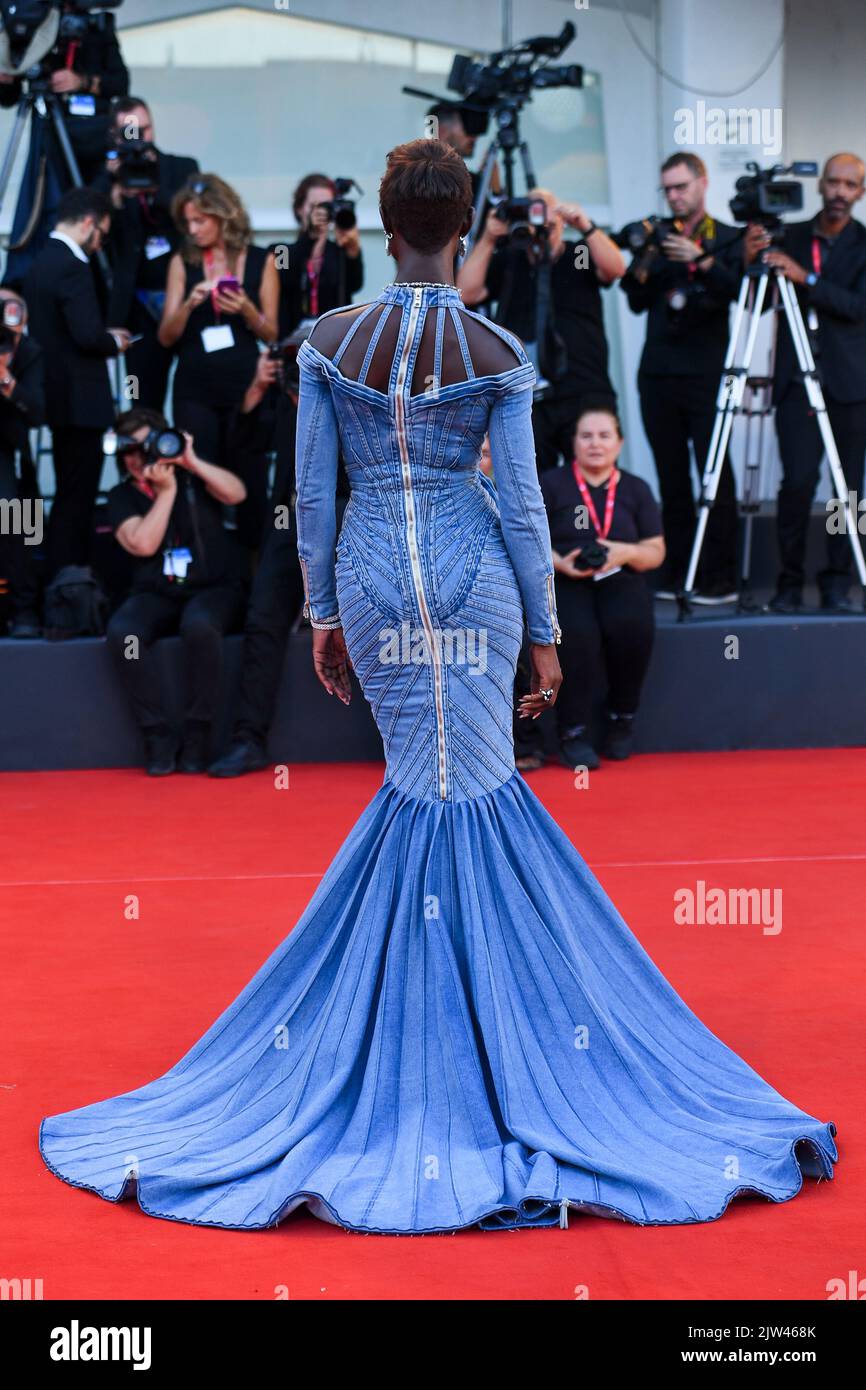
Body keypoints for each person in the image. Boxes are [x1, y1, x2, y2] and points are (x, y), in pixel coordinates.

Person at [38, 140, 838, 1234]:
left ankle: (431, 1047)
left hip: (370, 573)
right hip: (470, 581)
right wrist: (546, 637)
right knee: (473, 792)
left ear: (378, 223)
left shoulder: (327, 339)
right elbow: (518, 507)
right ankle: (488, 1049)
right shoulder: (493, 342)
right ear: (459, 229)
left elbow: (307, 493)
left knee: (428, 792)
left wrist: (323, 610)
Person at [207, 346, 351, 777]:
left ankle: (407, 744)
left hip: (352, 521)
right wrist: (259, 385)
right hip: (288, 526)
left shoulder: (353, 399)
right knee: (262, 621)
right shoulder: (281, 403)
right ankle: (249, 738)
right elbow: (241, 444)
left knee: (386, 624)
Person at [744, 152, 866, 614]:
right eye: (832, 181)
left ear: (860, 192)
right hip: (797, 382)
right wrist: (750, 257)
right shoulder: (789, 237)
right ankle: (788, 582)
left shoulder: (863, 243)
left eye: (849, 184)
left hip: (851, 385)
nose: (838, 191)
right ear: (820, 187)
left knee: (848, 489)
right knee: (796, 483)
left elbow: (858, 307)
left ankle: (837, 581)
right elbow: (756, 303)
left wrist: (807, 278)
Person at [515, 402, 664, 773]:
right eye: (586, 436)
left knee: (632, 628)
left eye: (604, 436)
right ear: (574, 443)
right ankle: (572, 732)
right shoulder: (550, 483)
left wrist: (623, 552)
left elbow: (656, 552)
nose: (595, 444)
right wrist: (558, 561)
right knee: (575, 637)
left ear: (619, 443)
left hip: (620, 578)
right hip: (565, 578)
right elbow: (526, 537)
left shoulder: (636, 488)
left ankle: (621, 719)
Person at [620, 152, 742, 603]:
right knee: (671, 478)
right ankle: (677, 575)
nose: (674, 196)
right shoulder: (657, 235)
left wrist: (701, 259)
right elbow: (633, 297)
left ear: (702, 183)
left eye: (681, 187)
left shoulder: (727, 238)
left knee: (715, 476)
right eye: (667, 189)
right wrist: (647, 254)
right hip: (658, 376)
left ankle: (720, 578)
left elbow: (745, 294)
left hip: (708, 376)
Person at [103, 407, 248, 776]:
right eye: (128, 453)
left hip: (213, 586)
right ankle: (157, 734)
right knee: (124, 634)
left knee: (199, 626)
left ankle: (198, 733)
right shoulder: (120, 495)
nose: (136, 460)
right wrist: (164, 493)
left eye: (144, 449)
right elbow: (143, 544)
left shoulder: (192, 477)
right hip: (157, 593)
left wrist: (191, 461)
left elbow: (237, 494)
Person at [458, 187, 624, 472]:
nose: (542, 232)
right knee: (534, 479)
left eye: (549, 224)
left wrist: (585, 225)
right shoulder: (511, 260)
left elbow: (615, 269)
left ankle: (584, 520)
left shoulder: (578, 255)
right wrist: (489, 236)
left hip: (583, 386)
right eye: (536, 224)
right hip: (530, 394)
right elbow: (466, 293)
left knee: (590, 478)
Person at [159, 173, 279, 549]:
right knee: (199, 475)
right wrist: (189, 304)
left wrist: (245, 308)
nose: (192, 230)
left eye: (200, 221)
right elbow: (166, 336)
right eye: (187, 222)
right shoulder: (183, 262)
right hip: (195, 388)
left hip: (247, 388)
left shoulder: (263, 261)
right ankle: (209, 571)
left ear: (223, 215)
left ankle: (252, 578)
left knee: (251, 479)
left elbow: (272, 334)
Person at [22, 186, 130, 579]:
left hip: (55, 398)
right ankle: (70, 579)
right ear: (88, 222)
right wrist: (114, 341)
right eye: (101, 234)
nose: (100, 244)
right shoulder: (73, 265)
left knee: (68, 493)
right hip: (82, 402)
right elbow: (87, 336)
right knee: (78, 498)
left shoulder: (36, 264)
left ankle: (59, 580)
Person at [0, 1, 129, 285]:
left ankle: (99, 279)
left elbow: (121, 84)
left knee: (89, 202)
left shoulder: (96, 27)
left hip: (91, 139)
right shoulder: (35, 20)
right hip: (48, 133)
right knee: (44, 203)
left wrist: (82, 81)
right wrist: (7, 72)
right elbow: (8, 98)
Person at [95, 95, 200, 411]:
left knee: (193, 398)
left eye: (145, 129)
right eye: (130, 132)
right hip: (137, 307)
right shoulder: (110, 177)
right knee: (140, 398)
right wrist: (112, 186)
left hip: (183, 299)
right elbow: (90, 226)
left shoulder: (181, 168)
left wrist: (155, 188)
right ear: (115, 136)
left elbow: (193, 214)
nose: (140, 139)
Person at [0, 289, 46, 637]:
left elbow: (37, 412)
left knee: (19, 521)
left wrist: (6, 381)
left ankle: (25, 606)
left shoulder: (30, 353)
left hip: (13, 453)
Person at [271, 174, 364, 340]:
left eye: (326, 206)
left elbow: (356, 285)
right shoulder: (280, 250)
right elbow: (283, 280)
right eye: (314, 206)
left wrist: (353, 251)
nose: (321, 212)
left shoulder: (339, 252)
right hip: (292, 346)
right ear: (299, 209)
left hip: (333, 343)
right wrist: (310, 236)